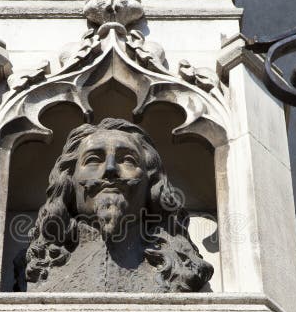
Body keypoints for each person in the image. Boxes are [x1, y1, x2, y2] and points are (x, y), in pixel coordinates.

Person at [18, 117, 212, 292]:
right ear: (69, 180)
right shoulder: (38, 266)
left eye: (127, 160)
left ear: (151, 182)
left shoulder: (182, 269)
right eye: (93, 160)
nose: (110, 169)